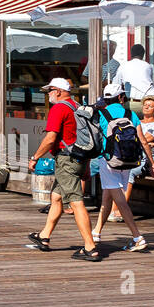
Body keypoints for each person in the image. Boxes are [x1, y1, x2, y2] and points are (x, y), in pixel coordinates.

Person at [25, 78, 100, 261]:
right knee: (56, 196)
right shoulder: (77, 106)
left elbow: (51, 138)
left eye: (49, 90)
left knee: (76, 202)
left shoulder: (59, 108)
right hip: (80, 159)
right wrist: (87, 164)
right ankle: (44, 236)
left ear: (58, 91)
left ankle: (90, 247)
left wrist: (35, 157)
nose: (48, 94)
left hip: (66, 160)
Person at [90, 86, 154, 251]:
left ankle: (137, 237)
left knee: (118, 197)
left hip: (108, 161)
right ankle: (97, 232)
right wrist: (152, 163)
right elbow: (142, 141)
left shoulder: (101, 114)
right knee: (108, 195)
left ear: (105, 99)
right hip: (127, 161)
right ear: (121, 97)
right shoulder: (131, 115)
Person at [122, 95, 154, 220]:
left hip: (146, 159)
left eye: (150, 106)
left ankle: (121, 209)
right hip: (132, 155)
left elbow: (145, 139)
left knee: (129, 172)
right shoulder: (136, 122)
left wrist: (141, 142)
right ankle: (114, 209)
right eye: (145, 105)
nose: (146, 107)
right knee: (117, 169)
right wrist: (141, 142)